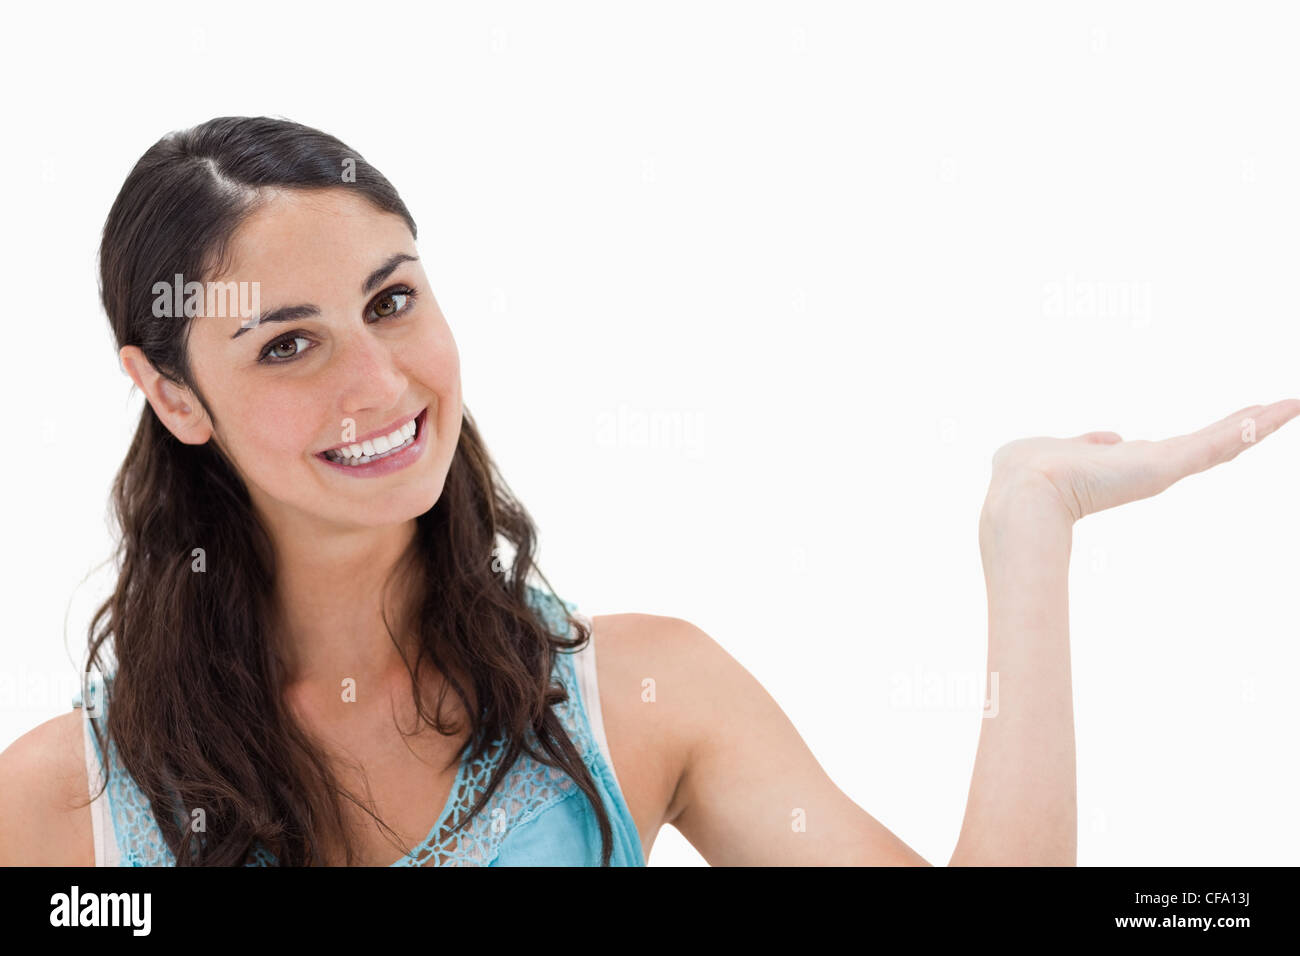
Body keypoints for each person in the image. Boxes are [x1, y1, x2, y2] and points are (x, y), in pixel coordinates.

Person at [1, 116, 1297, 866]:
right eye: (288, 342)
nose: (379, 380)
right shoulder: (67, 804)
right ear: (170, 392)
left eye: (392, 299)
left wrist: (1033, 534)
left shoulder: (639, 699)